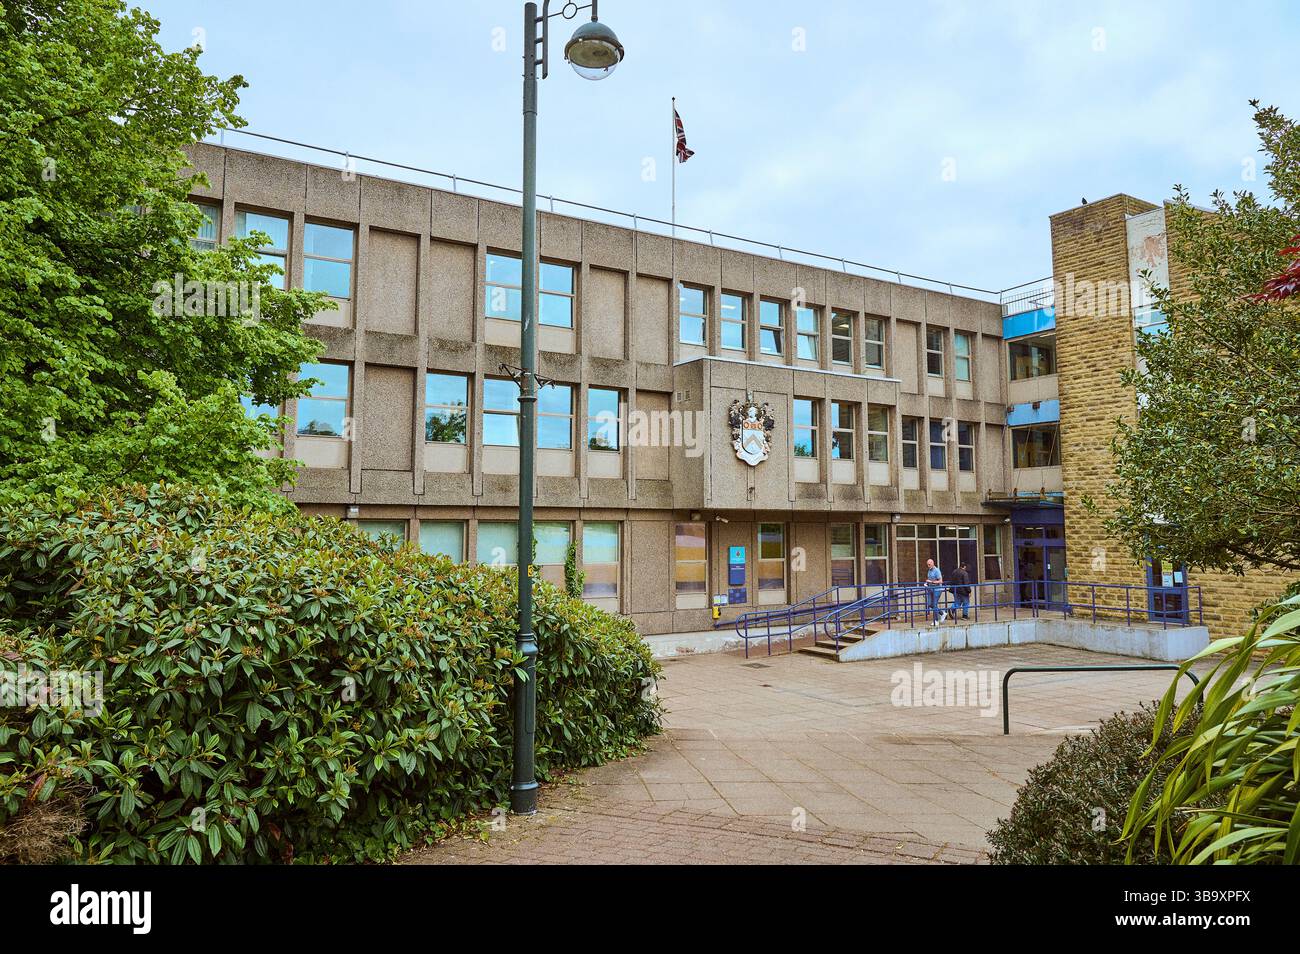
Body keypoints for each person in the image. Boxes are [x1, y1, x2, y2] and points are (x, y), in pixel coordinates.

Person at [923, 558, 945, 624]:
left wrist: (931, 581)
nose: (928, 566)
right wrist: (927, 583)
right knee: (930, 604)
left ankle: (936, 620)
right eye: (927, 565)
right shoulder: (929, 571)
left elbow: (941, 581)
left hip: (937, 589)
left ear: (933, 563)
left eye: (929, 564)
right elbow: (929, 579)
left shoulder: (937, 570)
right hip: (930, 588)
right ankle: (942, 613)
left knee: (934, 604)